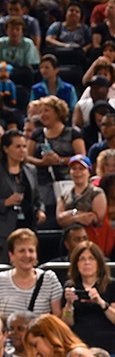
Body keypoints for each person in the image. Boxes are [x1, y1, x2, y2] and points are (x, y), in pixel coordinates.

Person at [61, 241, 115, 357]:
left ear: (98, 262)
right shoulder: (70, 286)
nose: (86, 263)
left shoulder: (112, 285)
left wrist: (101, 303)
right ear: (76, 264)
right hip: (79, 347)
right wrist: (69, 304)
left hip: (107, 348)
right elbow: (66, 322)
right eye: (82, 259)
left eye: (91, 258)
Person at [0, 131, 44, 262]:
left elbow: (37, 198)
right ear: (6, 148)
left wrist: (40, 210)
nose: (22, 150)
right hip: (4, 230)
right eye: (18, 146)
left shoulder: (30, 170)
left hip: (28, 226)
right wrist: (5, 202)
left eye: (24, 146)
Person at [0, 228, 63, 316]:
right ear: (11, 255)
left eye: (31, 250)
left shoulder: (49, 279)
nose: (27, 255)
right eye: (21, 251)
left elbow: (58, 317)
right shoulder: (1, 280)